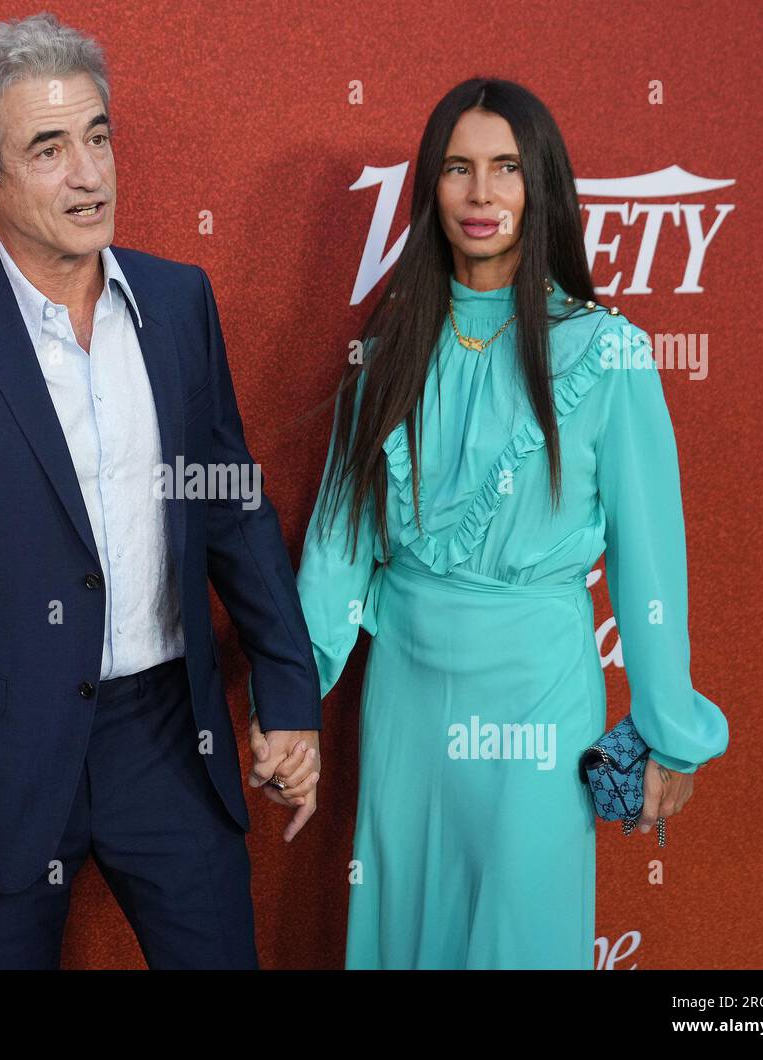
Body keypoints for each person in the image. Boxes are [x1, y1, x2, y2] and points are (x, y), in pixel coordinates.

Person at [0, 13, 321, 970]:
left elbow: (230, 505)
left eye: (98, 136)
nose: (90, 173)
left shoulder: (181, 304)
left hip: (168, 741)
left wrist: (288, 690)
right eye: (48, 149)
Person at [293, 78, 729, 969]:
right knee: (406, 922)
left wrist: (669, 730)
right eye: (458, 168)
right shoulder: (384, 355)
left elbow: (651, 570)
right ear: (432, 187)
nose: (482, 194)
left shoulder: (606, 353)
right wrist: (290, 699)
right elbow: (338, 550)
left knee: (518, 935)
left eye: (505, 168)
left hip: (539, 694)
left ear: (543, 186)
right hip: (407, 698)